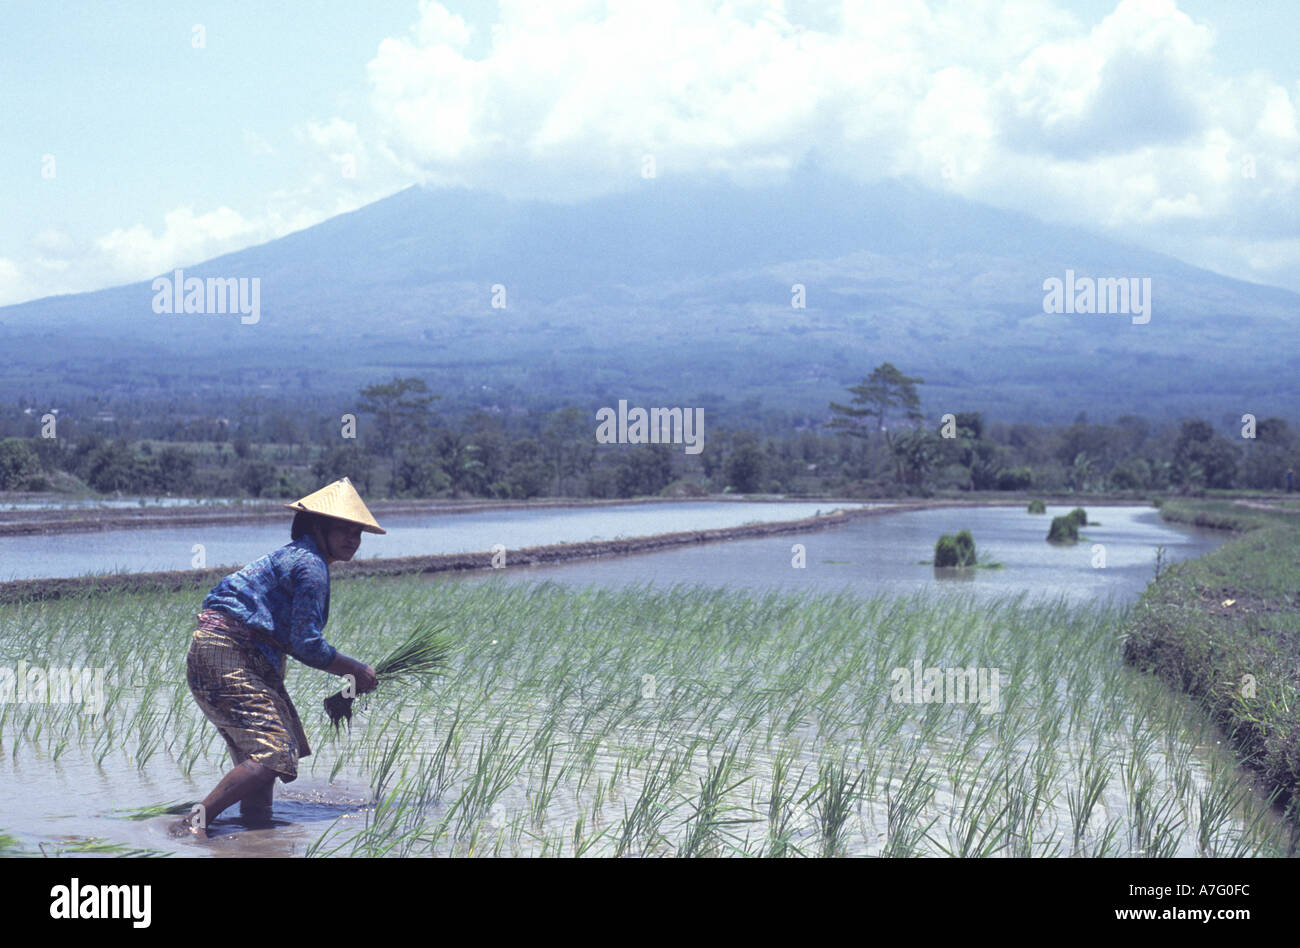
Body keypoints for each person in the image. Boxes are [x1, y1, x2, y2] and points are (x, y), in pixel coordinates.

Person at [171, 477, 385, 837]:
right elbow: (306, 644)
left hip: (226, 652)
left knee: (259, 754)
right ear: (319, 526)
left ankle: (257, 832)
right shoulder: (310, 566)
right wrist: (355, 670)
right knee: (272, 752)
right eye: (346, 530)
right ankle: (192, 823)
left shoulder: (298, 557)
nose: (354, 540)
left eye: (358, 533)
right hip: (227, 651)